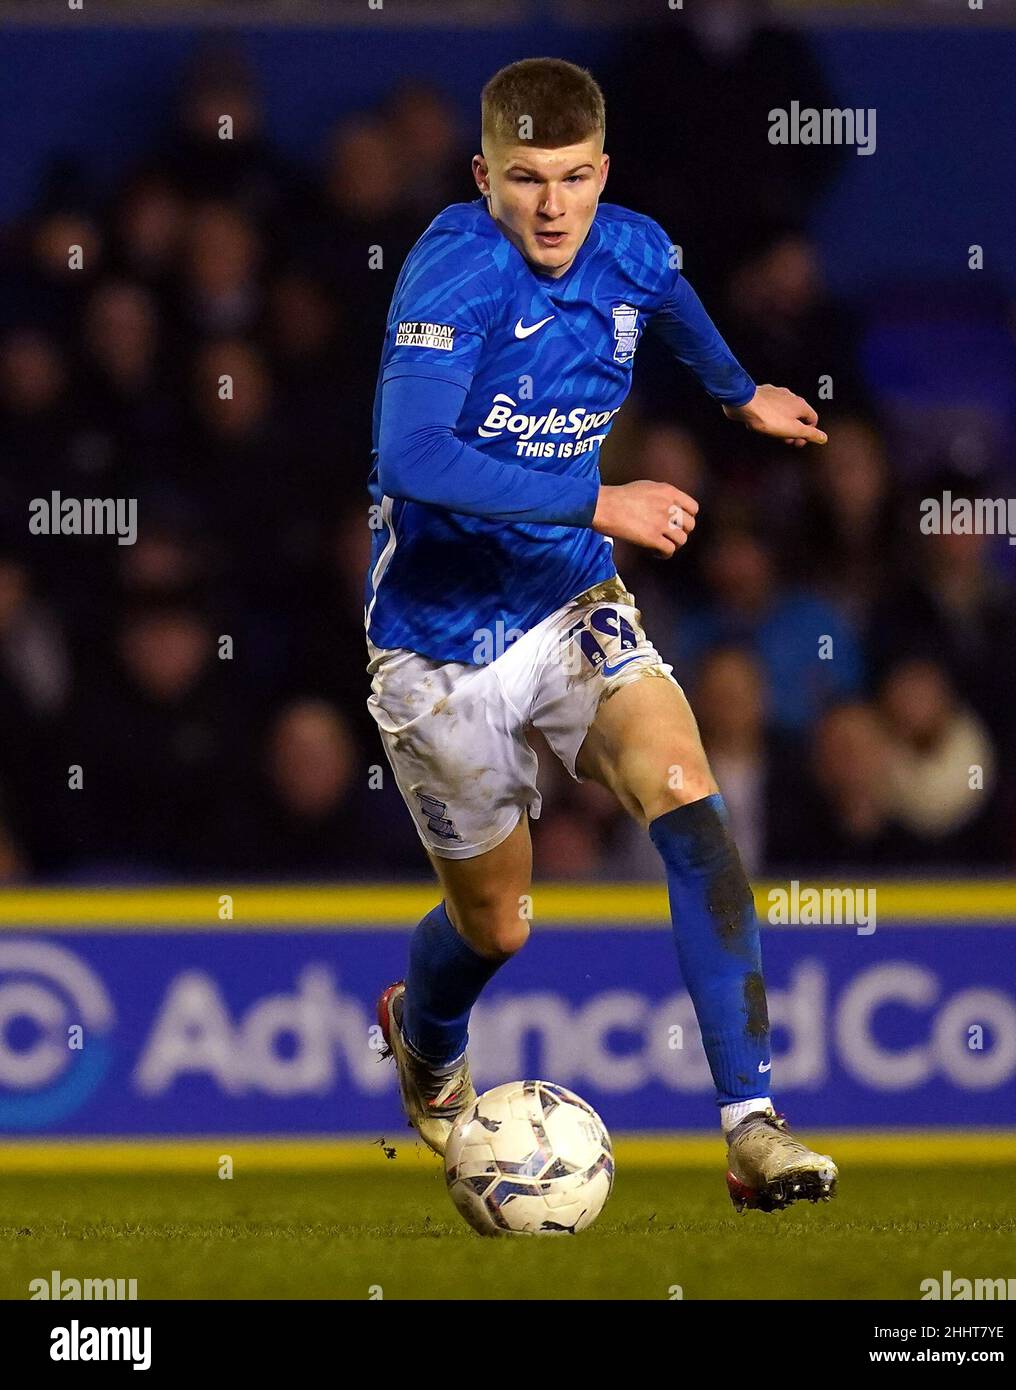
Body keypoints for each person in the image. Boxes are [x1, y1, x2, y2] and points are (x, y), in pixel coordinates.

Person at [365, 59, 836, 1213]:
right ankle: (421, 1029)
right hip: (438, 645)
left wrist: (735, 394)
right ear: (484, 177)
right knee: (498, 927)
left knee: (689, 795)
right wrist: (602, 497)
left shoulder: (631, 244)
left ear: (603, 173)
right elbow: (410, 460)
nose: (552, 206)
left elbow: (668, 295)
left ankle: (751, 1127)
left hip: (571, 599)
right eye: (525, 179)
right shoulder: (451, 274)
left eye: (574, 177)